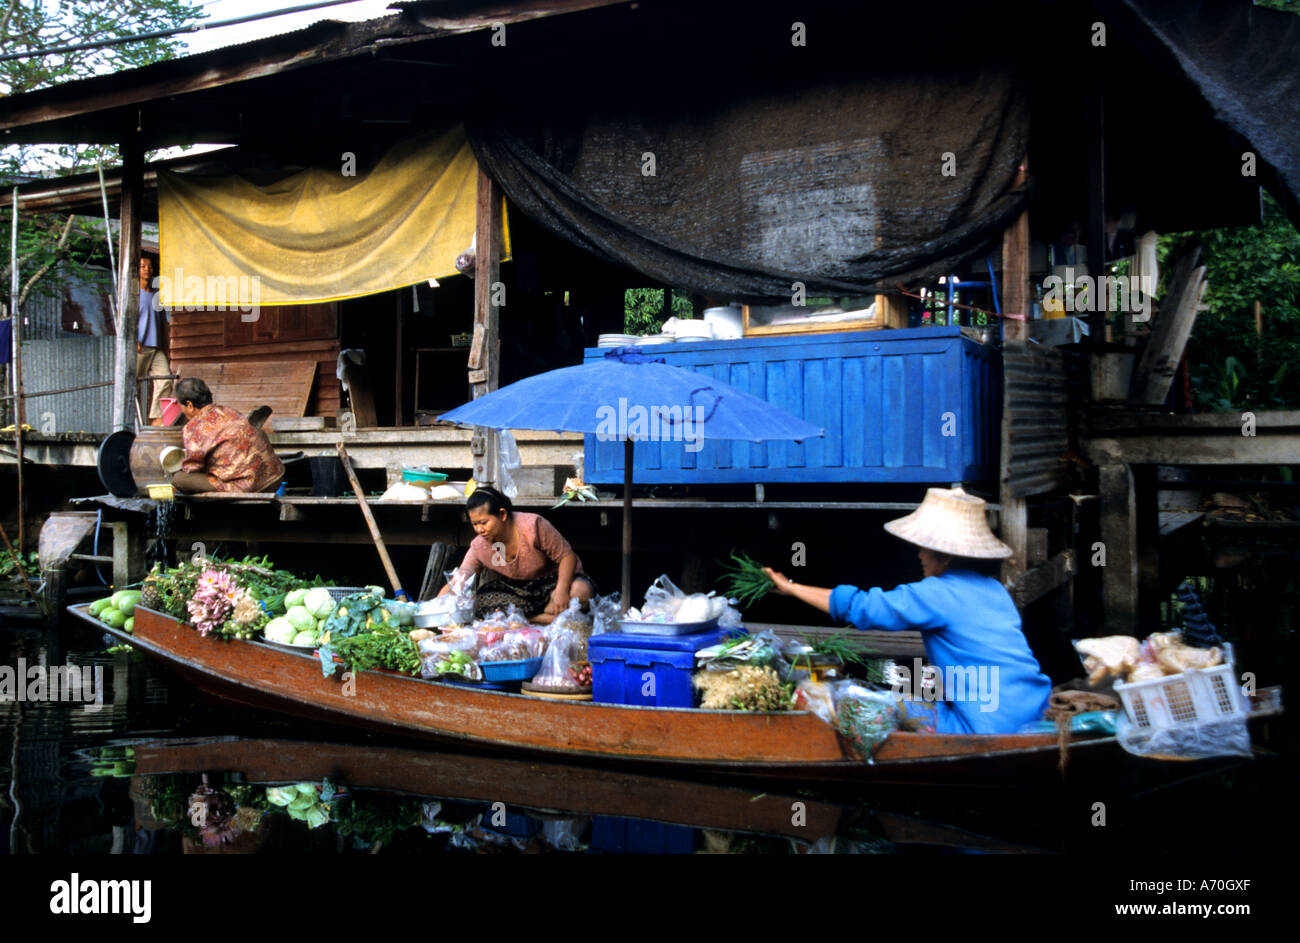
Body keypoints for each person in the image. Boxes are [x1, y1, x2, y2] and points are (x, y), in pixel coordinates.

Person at [763, 486, 1051, 735]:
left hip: (985, 726)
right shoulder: (994, 589)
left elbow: (863, 609)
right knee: (910, 690)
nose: (919, 555)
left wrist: (791, 588)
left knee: (853, 701)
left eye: (924, 548)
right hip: (1033, 709)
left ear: (946, 555)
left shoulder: (936, 594)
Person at [440, 487, 595, 623]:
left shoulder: (533, 526)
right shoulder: (480, 544)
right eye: (475, 524)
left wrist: (561, 590)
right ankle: (540, 618)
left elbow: (567, 556)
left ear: (502, 514)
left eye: (484, 522)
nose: (479, 529)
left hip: (554, 583)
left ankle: (518, 617)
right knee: (479, 601)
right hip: (520, 592)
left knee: (580, 592)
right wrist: (435, 605)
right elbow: (463, 574)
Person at [170, 377, 285, 494]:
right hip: (274, 479)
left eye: (181, 406)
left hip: (246, 486)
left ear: (189, 405)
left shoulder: (194, 427)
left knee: (179, 479)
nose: (182, 411)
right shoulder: (230, 411)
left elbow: (192, 468)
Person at [136, 255, 173, 426]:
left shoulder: (157, 296)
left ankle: (156, 420)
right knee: (133, 385)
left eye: (149, 267)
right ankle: (130, 422)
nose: (147, 269)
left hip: (156, 346)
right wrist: (133, 341)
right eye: (143, 266)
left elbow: (164, 322)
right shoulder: (134, 294)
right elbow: (127, 320)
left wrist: (166, 346)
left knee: (165, 379)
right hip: (140, 347)